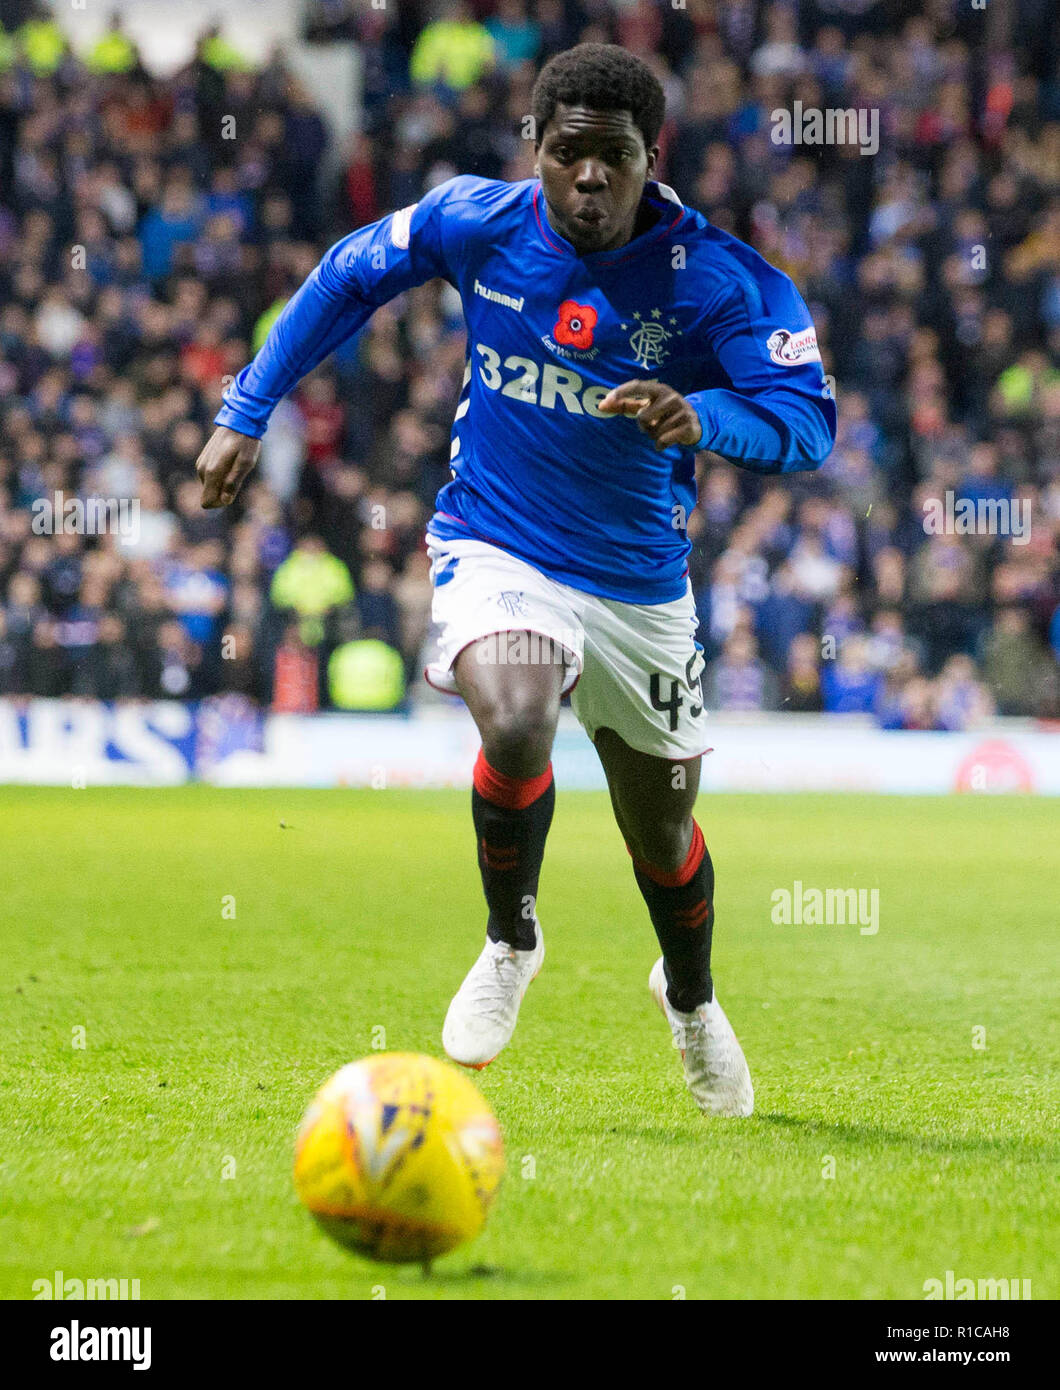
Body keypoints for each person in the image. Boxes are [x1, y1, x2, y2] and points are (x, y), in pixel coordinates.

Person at [195, 44, 835, 1120]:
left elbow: (808, 422)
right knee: (517, 716)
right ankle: (511, 936)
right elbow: (347, 274)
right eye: (569, 153)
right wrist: (246, 409)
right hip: (500, 544)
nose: (589, 178)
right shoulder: (476, 221)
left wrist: (705, 416)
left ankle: (688, 997)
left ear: (650, 158)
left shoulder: (715, 279)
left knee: (662, 837)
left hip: (639, 586)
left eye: (614, 159)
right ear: (536, 149)